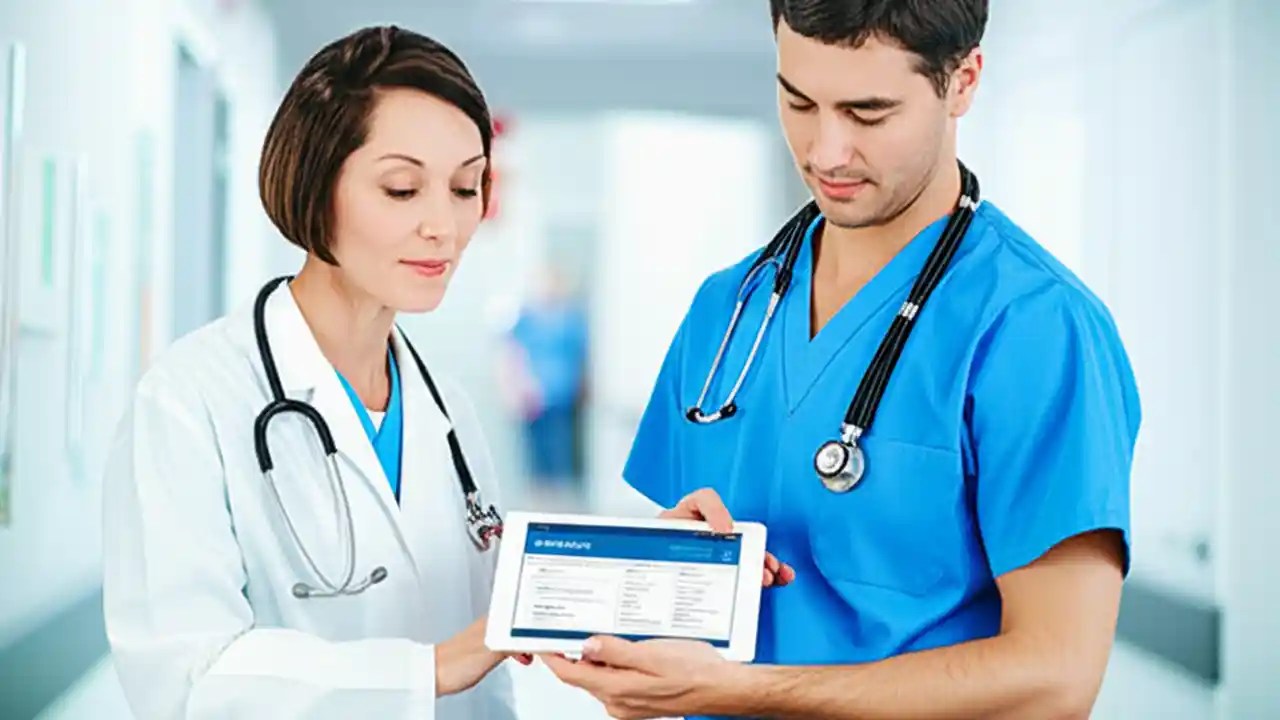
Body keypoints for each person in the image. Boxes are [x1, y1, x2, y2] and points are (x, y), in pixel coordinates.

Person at [542, 2, 1139, 719]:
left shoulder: (1035, 328)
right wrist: (649, 637)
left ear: (963, 82)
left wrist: (751, 693)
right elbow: (671, 631)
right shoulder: (727, 309)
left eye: (868, 112)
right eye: (798, 101)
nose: (825, 152)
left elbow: (1055, 676)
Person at [102, 26, 526, 720]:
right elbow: (188, 682)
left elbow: (491, 671)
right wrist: (427, 671)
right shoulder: (188, 401)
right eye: (401, 188)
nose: (443, 227)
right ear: (315, 181)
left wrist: (645, 562)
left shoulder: (448, 412)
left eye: (465, 187)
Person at [501, 263, 589, 504]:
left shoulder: (571, 317)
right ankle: (538, 499)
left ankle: (561, 501)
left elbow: (581, 355)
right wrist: (515, 388)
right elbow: (511, 353)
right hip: (532, 396)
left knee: (560, 447)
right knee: (535, 451)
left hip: (563, 395)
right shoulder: (526, 317)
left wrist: (584, 387)